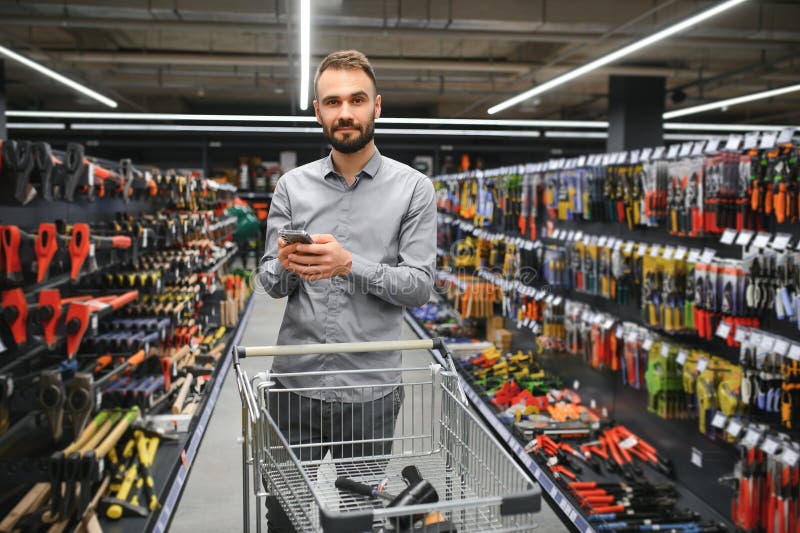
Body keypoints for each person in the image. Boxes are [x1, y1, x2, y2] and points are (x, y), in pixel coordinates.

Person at [257, 49, 437, 531]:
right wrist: (287, 263)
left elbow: (419, 286)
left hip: (370, 395)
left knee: (356, 521)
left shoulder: (414, 189)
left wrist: (349, 265)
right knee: (283, 517)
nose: (345, 112)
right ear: (317, 111)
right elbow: (269, 282)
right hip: (293, 388)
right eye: (332, 101)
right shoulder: (292, 187)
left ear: (377, 106)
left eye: (356, 100)